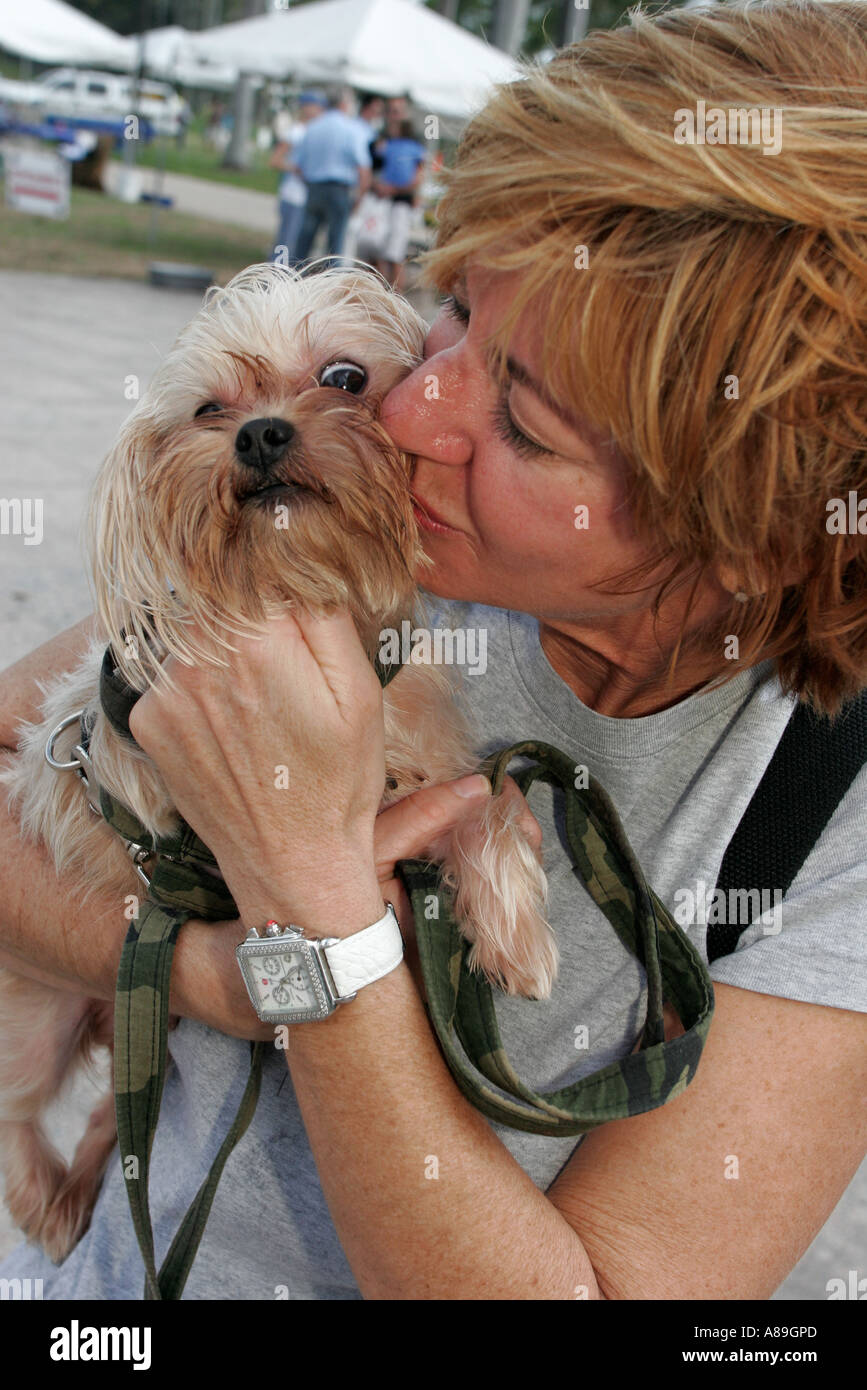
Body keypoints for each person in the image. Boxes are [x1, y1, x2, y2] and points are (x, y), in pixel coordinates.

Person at [0, 0, 865, 1301]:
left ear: (746, 538)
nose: (408, 402)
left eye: (520, 418)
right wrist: (199, 971)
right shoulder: (352, 533)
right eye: (453, 309)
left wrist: (305, 892)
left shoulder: (829, 807)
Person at [290, 86, 373, 265]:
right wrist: (359, 197)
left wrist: (310, 182)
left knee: (304, 241)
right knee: (335, 246)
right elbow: (363, 169)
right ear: (344, 104)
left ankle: (294, 277)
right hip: (339, 190)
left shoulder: (312, 127)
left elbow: (297, 165)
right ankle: (332, 284)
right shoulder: (351, 129)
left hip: (314, 187)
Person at [267, 91, 326, 263]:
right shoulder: (295, 132)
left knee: (301, 245)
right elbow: (275, 161)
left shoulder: (313, 131)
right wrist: (296, 168)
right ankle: (275, 274)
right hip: (293, 195)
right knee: (286, 242)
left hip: (307, 197)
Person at [373, 113, 427, 290]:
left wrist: (390, 189)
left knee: (390, 250)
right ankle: (394, 291)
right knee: (394, 250)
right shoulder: (416, 149)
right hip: (401, 202)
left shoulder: (389, 146)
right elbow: (418, 178)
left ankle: (391, 291)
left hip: (392, 202)